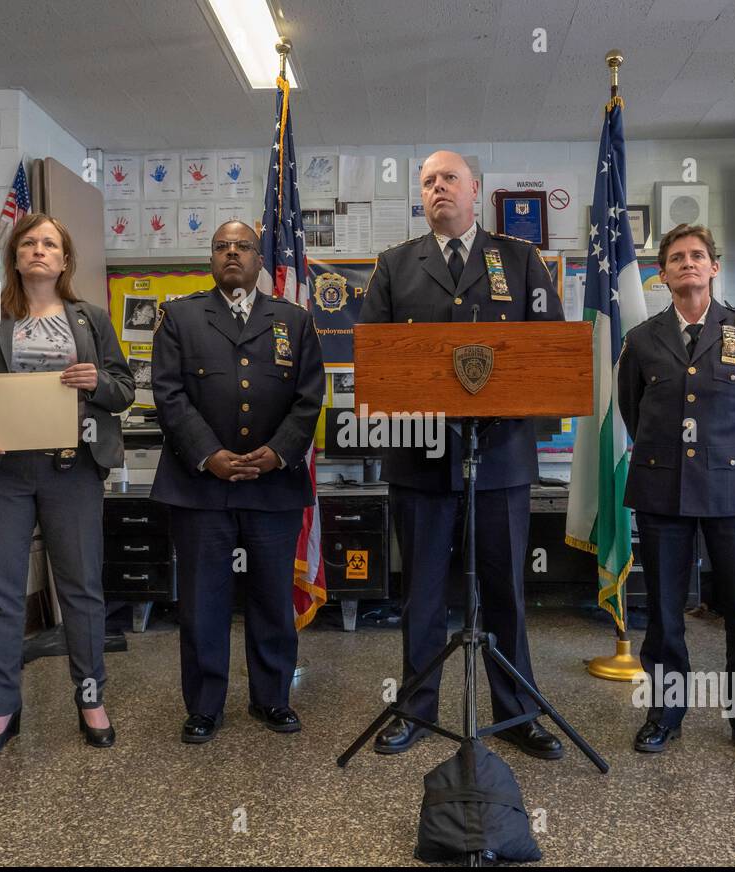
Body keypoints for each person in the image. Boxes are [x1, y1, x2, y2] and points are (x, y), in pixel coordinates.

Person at [357, 150, 565, 759]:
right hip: (420, 457)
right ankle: (416, 710)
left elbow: (549, 356)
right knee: (420, 592)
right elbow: (373, 360)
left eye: (449, 178)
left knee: (505, 592)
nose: (437, 187)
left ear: (476, 189)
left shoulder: (520, 259)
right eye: (427, 181)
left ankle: (518, 713)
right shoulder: (395, 266)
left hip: (500, 458)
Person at [0, 213, 134, 758]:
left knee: (81, 588)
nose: (39, 251)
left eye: (50, 243)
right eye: (29, 243)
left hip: (70, 468)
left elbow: (123, 389)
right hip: (1, 472)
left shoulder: (89, 319)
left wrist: (98, 381)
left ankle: (90, 697)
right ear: (16, 256)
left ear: (65, 258)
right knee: (1, 592)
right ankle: (4, 705)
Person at [150, 220, 323, 745]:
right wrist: (209, 455)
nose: (232, 253)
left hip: (273, 486)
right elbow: (169, 394)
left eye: (242, 246)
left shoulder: (292, 320)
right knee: (203, 601)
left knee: (272, 597)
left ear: (258, 260)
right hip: (200, 485)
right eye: (222, 246)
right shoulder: (180, 317)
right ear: (211, 257)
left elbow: (309, 397)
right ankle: (204, 706)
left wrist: (276, 454)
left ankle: (272, 698)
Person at [617, 223, 735, 762]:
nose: (688, 264)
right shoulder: (641, 339)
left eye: (698, 256)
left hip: (733, 487)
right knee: (665, 612)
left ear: (714, 266)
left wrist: (722, 455)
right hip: (662, 486)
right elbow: (633, 411)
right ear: (662, 274)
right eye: (676, 259)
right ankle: (666, 712)